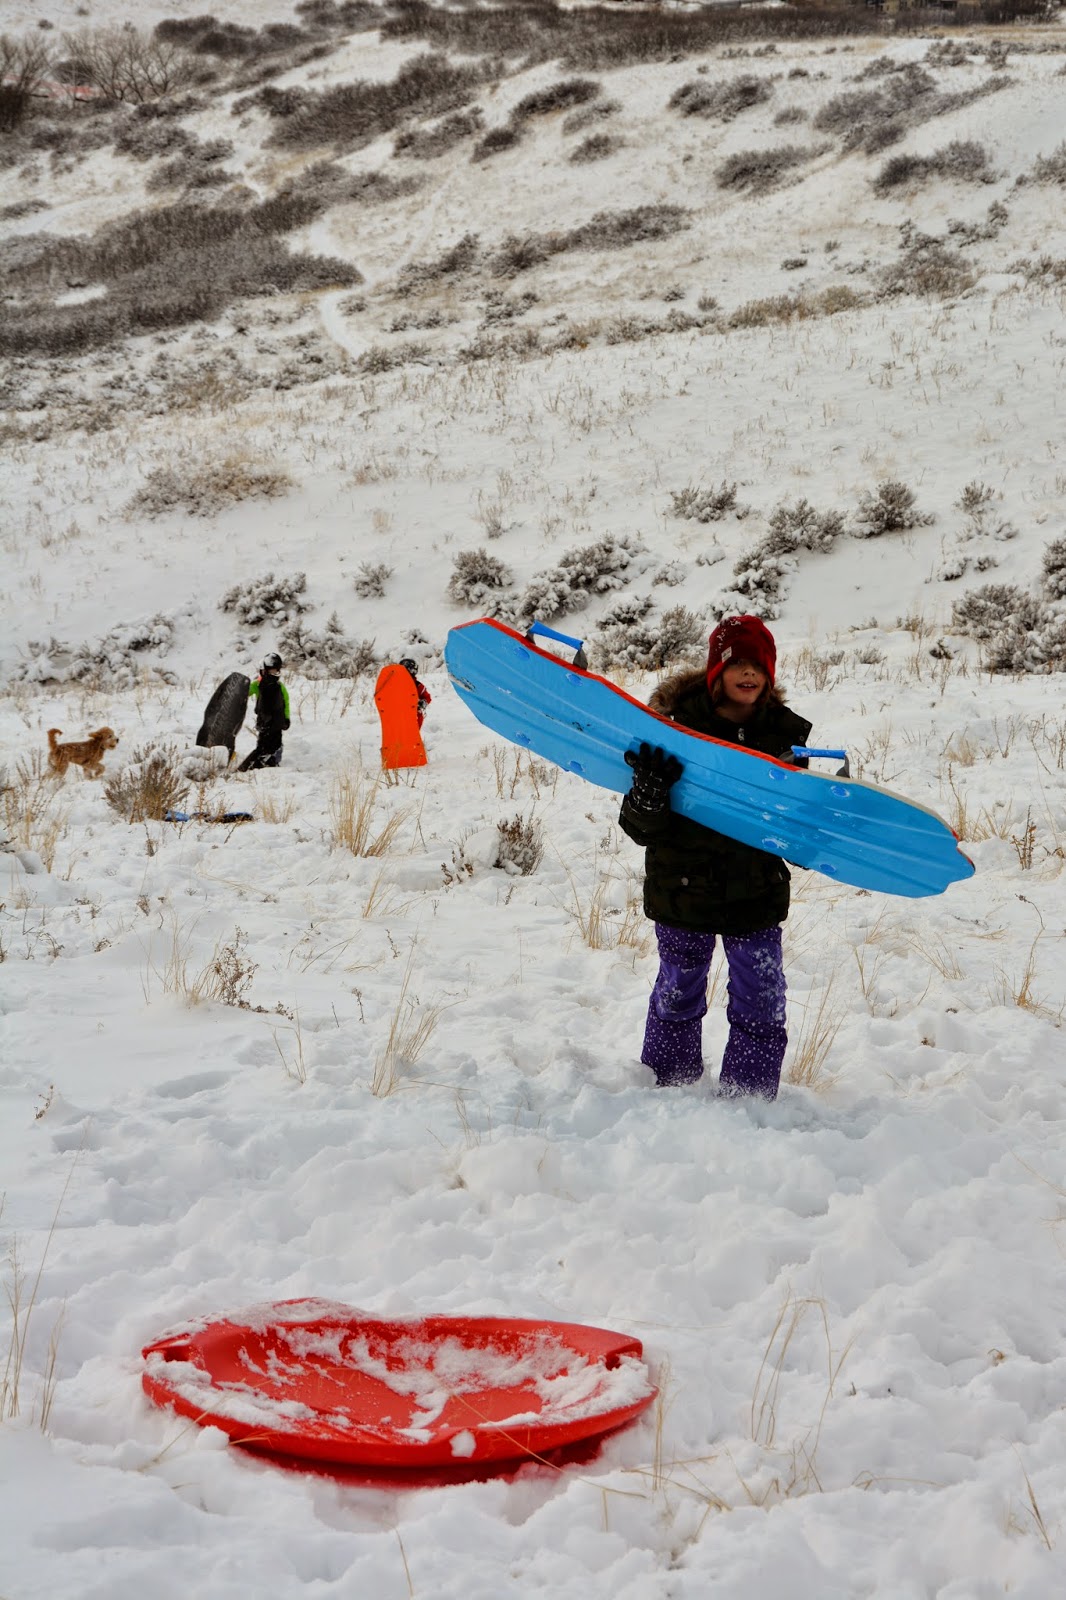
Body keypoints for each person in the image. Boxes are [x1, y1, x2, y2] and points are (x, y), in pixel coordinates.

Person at [618, 615, 812, 1099]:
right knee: (677, 992)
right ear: (716, 671)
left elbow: (794, 829)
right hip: (683, 886)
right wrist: (648, 795)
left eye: (759, 666)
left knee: (762, 1000)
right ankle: (669, 1081)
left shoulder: (786, 735)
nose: (749, 675)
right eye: (737, 664)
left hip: (755, 889)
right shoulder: (672, 729)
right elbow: (640, 827)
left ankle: (749, 1096)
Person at [238, 652, 290, 771]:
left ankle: (271, 763)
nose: (274, 674)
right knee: (262, 747)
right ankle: (246, 768)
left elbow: (286, 702)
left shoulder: (280, 687)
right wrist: (239, 690)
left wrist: (286, 718)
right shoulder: (258, 685)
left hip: (277, 723)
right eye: (271, 671)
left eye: (276, 671)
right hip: (264, 723)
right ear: (264, 671)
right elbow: (246, 692)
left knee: (276, 745)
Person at [400, 658, 432, 729]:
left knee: (411, 736)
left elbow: (427, 697)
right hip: (398, 715)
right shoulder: (394, 685)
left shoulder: (418, 686)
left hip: (415, 716)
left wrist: (423, 702)